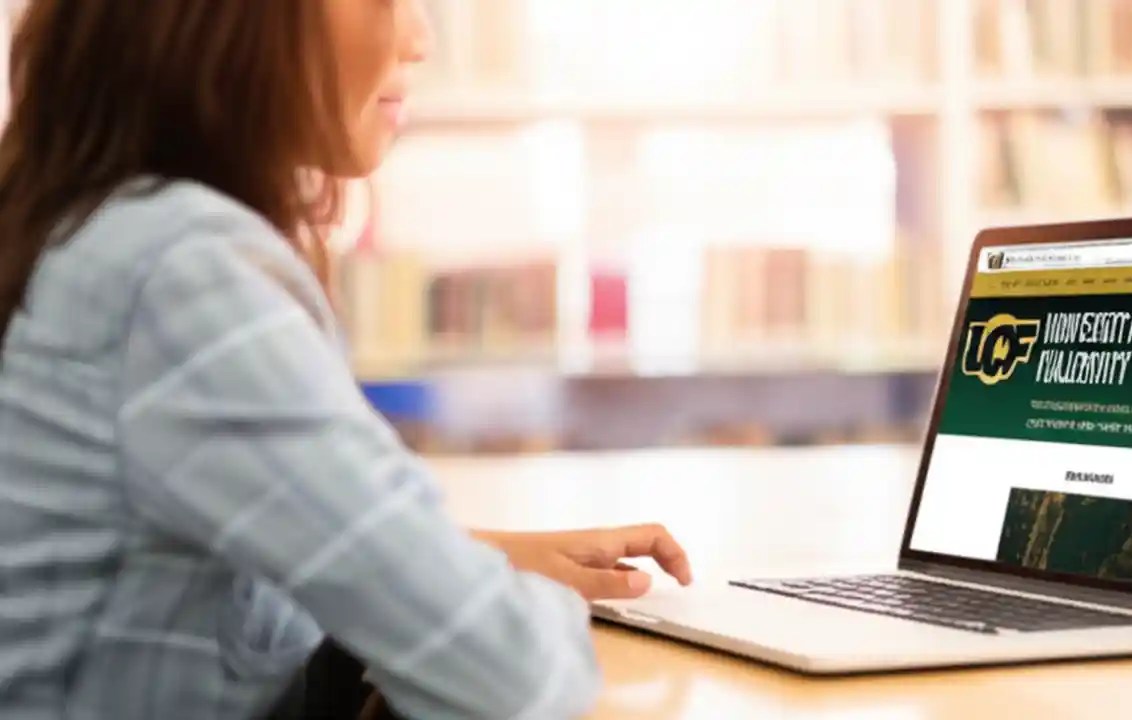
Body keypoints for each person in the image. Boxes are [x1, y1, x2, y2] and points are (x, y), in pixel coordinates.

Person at [0, 2, 693, 719]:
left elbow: (202, 562)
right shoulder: (181, 273)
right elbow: (512, 675)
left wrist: (464, 559)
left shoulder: (95, 225)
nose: (419, 38)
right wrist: (495, 601)